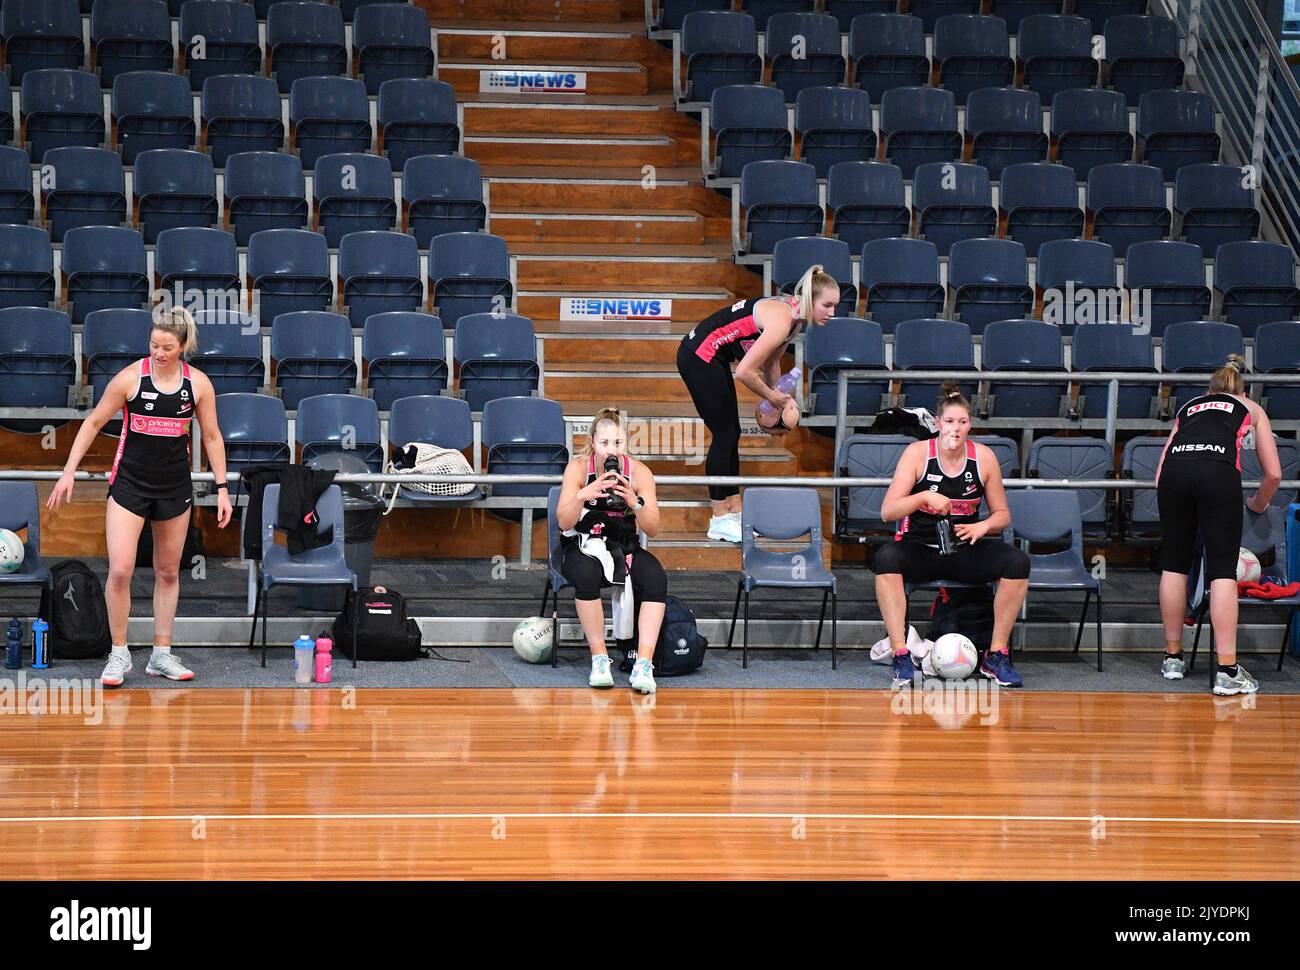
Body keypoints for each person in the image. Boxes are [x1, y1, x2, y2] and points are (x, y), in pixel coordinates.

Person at [47, 307, 233, 686]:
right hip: (129, 485)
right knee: (120, 570)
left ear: (182, 347)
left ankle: (161, 655)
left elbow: (212, 436)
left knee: (167, 571)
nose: (158, 352)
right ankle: (118, 654)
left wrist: (223, 488)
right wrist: (68, 470)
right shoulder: (131, 377)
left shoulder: (198, 384)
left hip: (174, 488)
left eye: (167, 347)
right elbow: (94, 421)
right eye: (153, 345)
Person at [873, 382, 1031, 688]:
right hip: (921, 548)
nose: (955, 428)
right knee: (886, 558)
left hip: (963, 549)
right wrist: (922, 498)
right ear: (937, 423)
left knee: (1017, 562)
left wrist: (982, 526)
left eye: (962, 422)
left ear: (970, 425)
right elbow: (888, 511)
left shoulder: (983, 458)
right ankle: (901, 653)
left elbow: (1002, 515)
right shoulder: (918, 453)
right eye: (949, 421)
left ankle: (996, 654)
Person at [676, 265, 840, 543]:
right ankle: (718, 517)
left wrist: (778, 404)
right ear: (811, 300)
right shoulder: (782, 320)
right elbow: (744, 372)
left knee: (731, 433)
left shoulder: (793, 319)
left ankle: (734, 510)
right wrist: (772, 397)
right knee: (725, 434)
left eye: (835, 306)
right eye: (827, 305)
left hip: (712, 357)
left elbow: (771, 363)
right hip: (698, 356)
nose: (832, 313)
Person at [1154, 354, 1281, 695]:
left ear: (1210, 390)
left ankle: (1173, 658)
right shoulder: (1250, 408)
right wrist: (1258, 502)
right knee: (1223, 571)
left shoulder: (1190, 407)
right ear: (1241, 389)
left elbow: (1160, 470)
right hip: (1218, 473)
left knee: (1175, 566)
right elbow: (1274, 473)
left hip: (1173, 477)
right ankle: (1226, 671)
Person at [557, 408, 666, 694]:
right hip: (583, 545)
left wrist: (635, 501)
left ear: (625, 444)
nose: (611, 450)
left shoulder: (639, 472)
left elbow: (652, 528)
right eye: (605, 443)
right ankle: (599, 658)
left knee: (655, 577)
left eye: (617, 443)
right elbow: (563, 521)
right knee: (586, 573)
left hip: (622, 545)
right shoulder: (579, 468)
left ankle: (644, 662)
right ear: (593, 442)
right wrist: (583, 495)